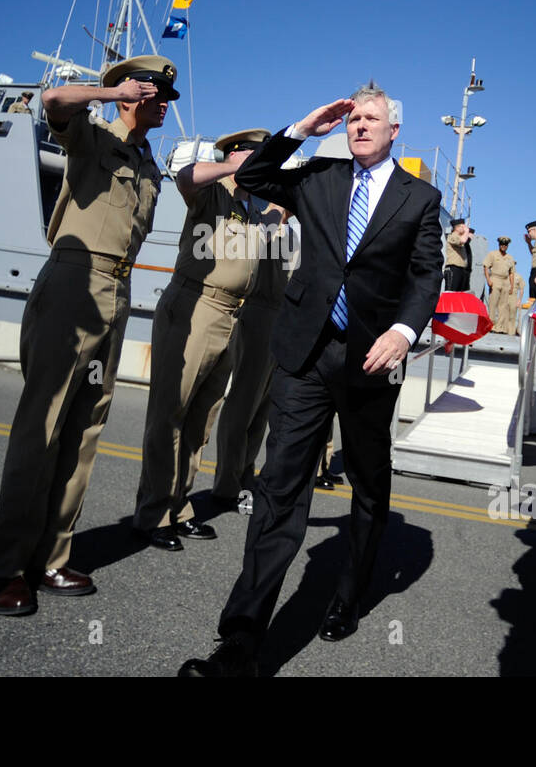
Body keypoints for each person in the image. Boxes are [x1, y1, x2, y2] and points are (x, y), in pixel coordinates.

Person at [179, 81, 442, 676]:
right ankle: (240, 640)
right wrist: (302, 127)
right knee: (279, 487)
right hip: (306, 355)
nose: (361, 126)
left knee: (370, 484)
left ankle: (349, 596)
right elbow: (253, 179)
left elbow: (427, 275)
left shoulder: (420, 198)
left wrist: (402, 333)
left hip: (375, 359)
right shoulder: (320, 177)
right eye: (354, 119)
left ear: (394, 130)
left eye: (373, 119)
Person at [0, 55, 176, 614]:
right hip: (73, 281)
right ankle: (5, 566)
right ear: (129, 93)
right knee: (42, 427)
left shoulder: (146, 163)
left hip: (116, 291)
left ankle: (51, 557)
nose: (163, 102)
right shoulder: (94, 136)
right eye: (154, 92)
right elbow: (53, 103)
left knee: (84, 429)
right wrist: (110, 94)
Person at [132, 128, 273, 550]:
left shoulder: (252, 207)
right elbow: (185, 177)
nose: (263, 159)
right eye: (256, 153)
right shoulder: (214, 195)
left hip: (231, 315)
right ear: (234, 154)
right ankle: (153, 513)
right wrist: (231, 168)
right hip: (194, 307)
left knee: (200, 421)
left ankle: (179, 506)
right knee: (169, 414)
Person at [210, 201, 292, 511]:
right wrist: (277, 217)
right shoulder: (261, 220)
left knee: (262, 408)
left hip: (278, 318)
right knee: (243, 403)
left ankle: (245, 474)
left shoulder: (286, 230)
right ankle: (227, 483)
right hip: (257, 312)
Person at [483, 237, 518, 334]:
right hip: (495, 279)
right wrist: (488, 280)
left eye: (505, 245)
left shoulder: (510, 258)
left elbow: (511, 273)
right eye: (502, 245)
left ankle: (500, 327)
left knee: (503, 305)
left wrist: (511, 285)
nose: (504, 246)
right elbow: (486, 267)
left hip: (505, 281)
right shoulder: (493, 254)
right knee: (493, 304)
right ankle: (491, 326)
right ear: (499, 245)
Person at [444, 218, 472, 291]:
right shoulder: (452, 236)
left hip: (461, 269)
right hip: (453, 268)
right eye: (462, 226)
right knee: (451, 293)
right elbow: (462, 240)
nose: (464, 228)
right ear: (457, 228)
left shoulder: (460, 237)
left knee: (460, 294)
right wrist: (467, 232)